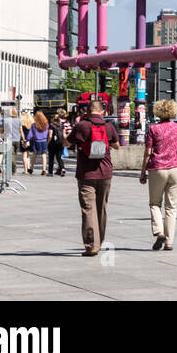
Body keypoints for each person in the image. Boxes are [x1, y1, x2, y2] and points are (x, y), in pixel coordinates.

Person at [70, 99, 120, 257]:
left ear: (86, 111)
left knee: (88, 208)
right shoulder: (108, 126)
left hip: (87, 174)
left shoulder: (81, 126)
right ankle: (100, 241)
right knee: (101, 208)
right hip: (105, 173)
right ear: (102, 112)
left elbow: (67, 142)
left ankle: (92, 244)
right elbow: (117, 145)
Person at [140, 99, 177, 251]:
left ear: (158, 111)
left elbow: (148, 153)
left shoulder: (153, 129)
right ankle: (169, 242)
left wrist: (143, 172)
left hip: (158, 169)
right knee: (171, 207)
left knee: (155, 203)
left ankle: (159, 231)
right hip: (176, 169)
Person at [28, 111, 50, 176]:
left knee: (34, 155)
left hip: (37, 141)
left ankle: (31, 168)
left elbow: (30, 134)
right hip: (44, 141)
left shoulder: (34, 125)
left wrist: (27, 140)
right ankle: (44, 169)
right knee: (44, 155)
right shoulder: (46, 125)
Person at [47, 111, 66, 176]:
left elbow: (50, 135)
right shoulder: (62, 126)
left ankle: (50, 172)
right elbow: (64, 135)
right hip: (60, 143)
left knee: (51, 158)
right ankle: (62, 168)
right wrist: (64, 142)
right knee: (59, 157)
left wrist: (48, 142)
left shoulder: (51, 125)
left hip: (52, 143)